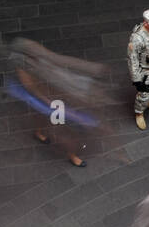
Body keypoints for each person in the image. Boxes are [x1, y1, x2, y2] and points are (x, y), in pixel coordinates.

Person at [8, 38, 104, 167]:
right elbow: (32, 89)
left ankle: (40, 132)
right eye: (31, 49)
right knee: (63, 125)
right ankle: (71, 154)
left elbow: (57, 59)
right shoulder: (21, 64)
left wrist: (86, 67)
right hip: (43, 97)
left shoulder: (37, 55)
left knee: (49, 118)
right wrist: (50, 102)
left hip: (52, 91)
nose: (35, 50)